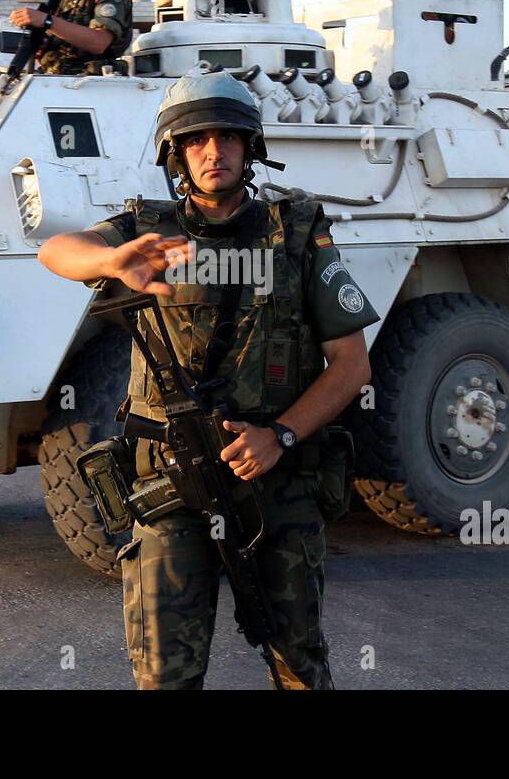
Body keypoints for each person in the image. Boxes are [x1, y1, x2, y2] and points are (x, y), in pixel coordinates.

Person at [37, 72, 378, 690]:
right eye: (196, 141)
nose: (213, 153)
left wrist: (281, 434)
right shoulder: (147, 233)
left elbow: (353, 364)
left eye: (227, 138)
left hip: (276, 482)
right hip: (172, 482)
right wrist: (109, 261)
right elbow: (57, 251)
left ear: (251, 147)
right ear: (176, 153)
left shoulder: (297, 232)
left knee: (299, 663)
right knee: (165, 673)